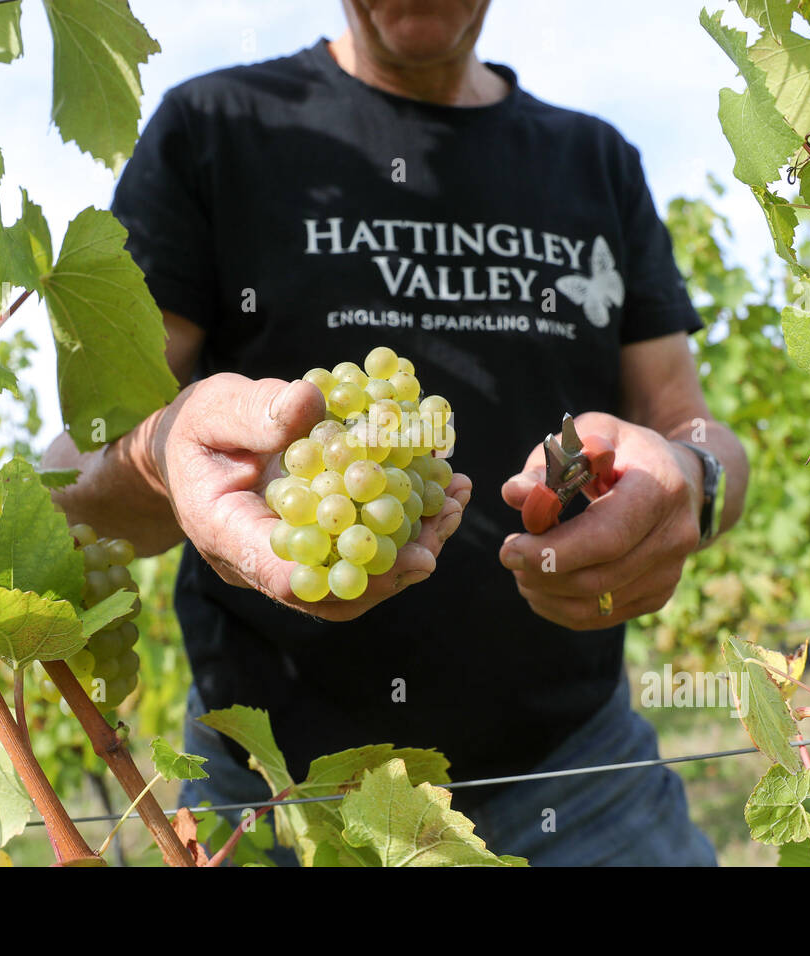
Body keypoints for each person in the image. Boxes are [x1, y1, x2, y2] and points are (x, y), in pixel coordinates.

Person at [45, 0, 748, 866]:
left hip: (581, 782)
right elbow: (81, 467)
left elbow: (690, 423)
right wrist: (162, 459)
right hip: (269, 801)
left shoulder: (594, 159)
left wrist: (696, 476)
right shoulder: (214, 127)